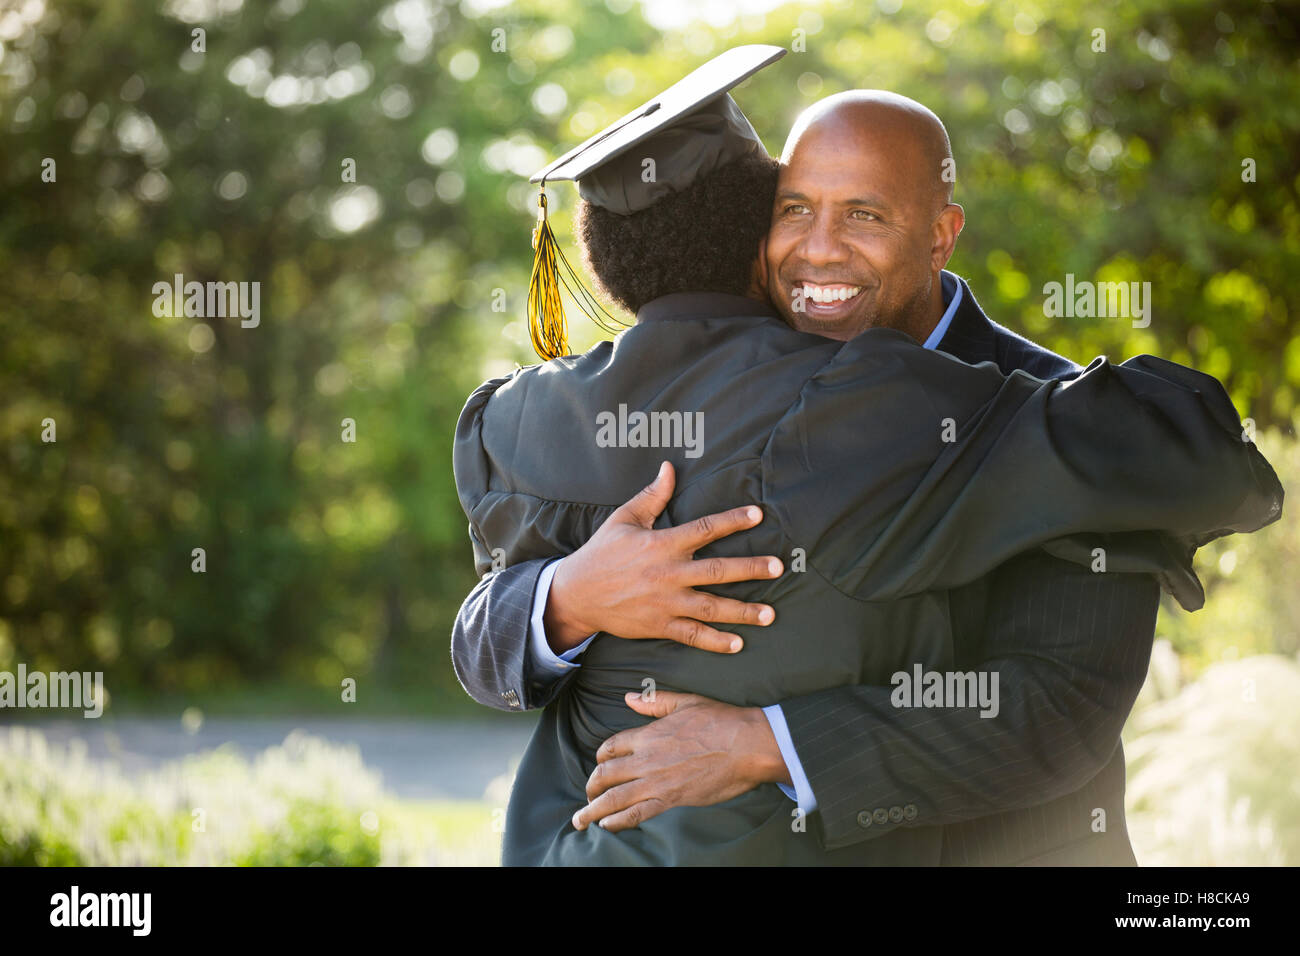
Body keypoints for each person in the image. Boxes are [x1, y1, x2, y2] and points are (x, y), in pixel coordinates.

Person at [452, 50, 1284, 864]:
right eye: (793, 209)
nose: (819, 250)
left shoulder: (1043, 407)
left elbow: (1058, 712)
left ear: (941, 235)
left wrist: (770, 744)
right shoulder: (733, 391)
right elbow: (483, 634)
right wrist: (565, 596)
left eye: (865, 215)